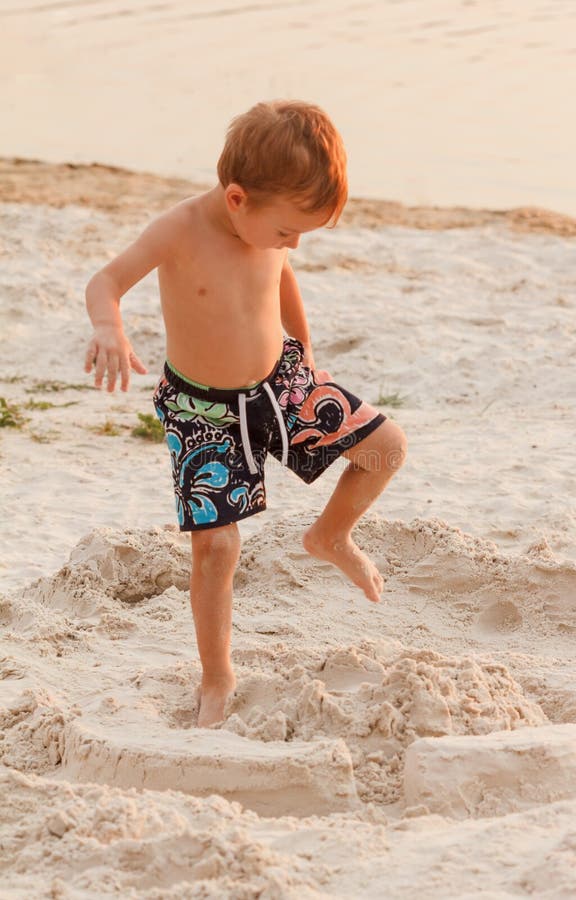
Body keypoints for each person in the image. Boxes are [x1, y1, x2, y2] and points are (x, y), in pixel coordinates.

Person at [84, 99, 408, 727]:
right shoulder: (178, 229)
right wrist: (108, 329)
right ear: (237, 198)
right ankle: (216, 677)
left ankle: (330, 535)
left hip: (280, 382)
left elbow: (283, 277)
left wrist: (306, 349)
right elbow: (105, 281)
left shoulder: (267, 227)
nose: (292, 244)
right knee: (216, 548)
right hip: (202, 408)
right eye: (288, 231)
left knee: (385, 448)